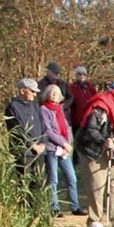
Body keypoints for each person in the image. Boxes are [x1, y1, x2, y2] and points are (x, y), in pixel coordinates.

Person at [72, 86, 114, 227]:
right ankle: (94, 220)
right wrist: (103, 141)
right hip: (90, 151)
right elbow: (90, 130)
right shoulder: (100, 108)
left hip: (109, 151)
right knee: (97, 184)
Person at [37, 84, 81, 215]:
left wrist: (68, 144)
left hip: (64, 149)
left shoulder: (61, 109)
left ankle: (75, 206)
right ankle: (54, 207)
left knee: (72, 178)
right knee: (53, 179)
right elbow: (48, 131)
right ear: (47, 94)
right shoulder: (44, 109)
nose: (55, 94)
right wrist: (63, 143)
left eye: (57, 92)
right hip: (51, 148)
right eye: (52, 92)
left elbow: (67, 128)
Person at [4, 77, 48, 186]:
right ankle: (24, 203)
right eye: (32, 91)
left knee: (39, 182)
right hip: (24, 151)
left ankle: (35, 203)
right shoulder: (12, 107)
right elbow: (17, 129)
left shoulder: (35, 106)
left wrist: (43, 143)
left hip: (39, 151)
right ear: (23, 90)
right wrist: (32, 145)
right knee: (24, 183)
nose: (34, 94)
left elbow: (43, 125)